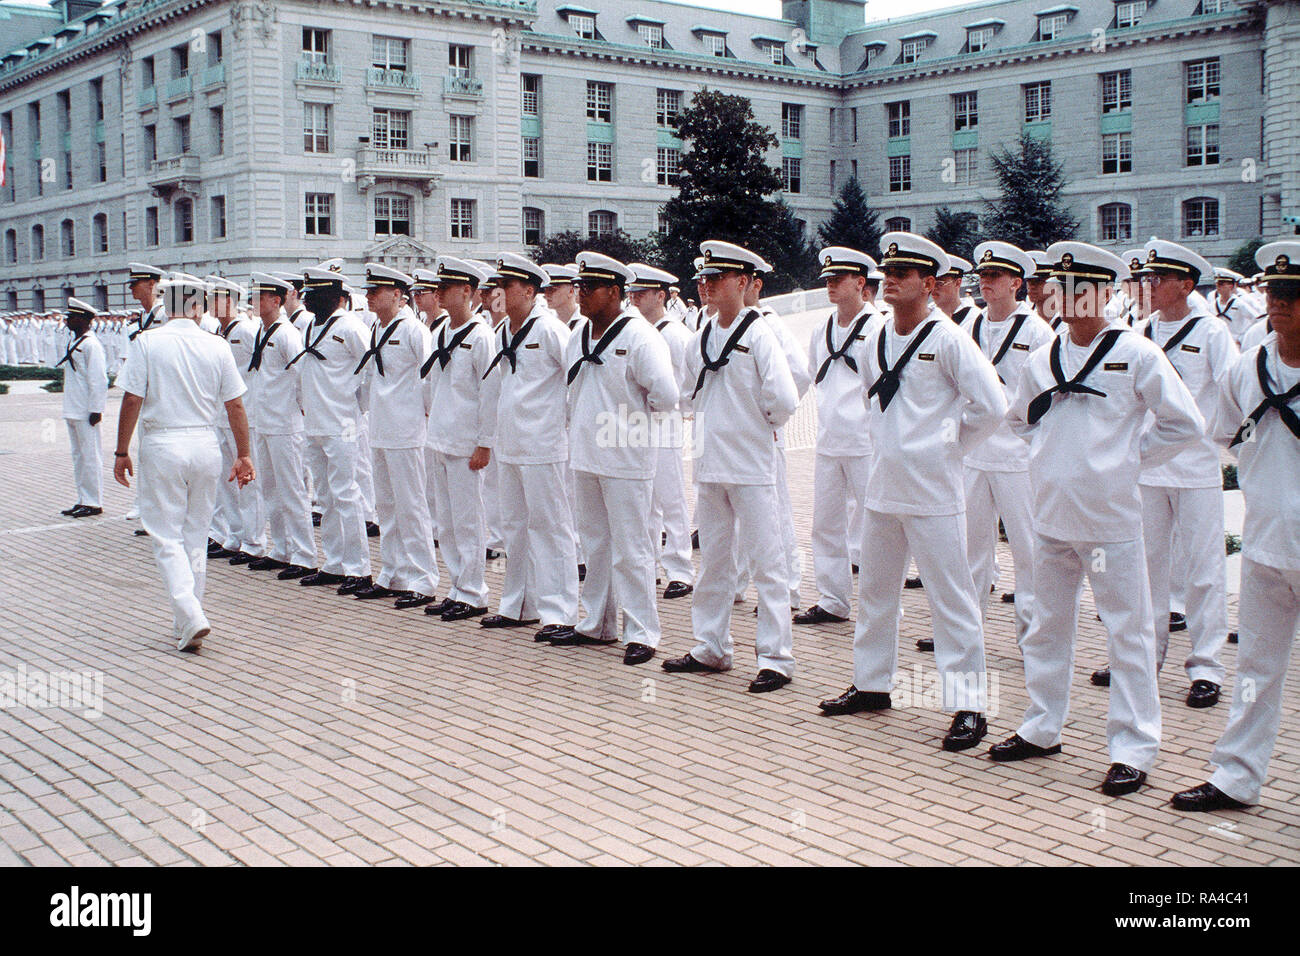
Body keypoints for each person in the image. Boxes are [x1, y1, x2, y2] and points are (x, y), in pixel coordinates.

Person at [990, 241, 1203, 797]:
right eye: (1060, 288)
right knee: (1046, 627)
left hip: (1111, 522)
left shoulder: (1135, 354)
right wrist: (1053, 457)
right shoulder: (1043, 358)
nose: (1067, 298)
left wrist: (1128, 459)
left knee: (1127, 633)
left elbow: (1185, 424)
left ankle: (1133, 747)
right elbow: (1017, 420)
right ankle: (1041, 725)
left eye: (1081, 288)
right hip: (1051, 518)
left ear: (1107, 294)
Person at [818, 233, 1005, 752]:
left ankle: (970, 705)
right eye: (889, 269)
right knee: (876, 593)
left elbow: (991, 405)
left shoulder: (947, 338)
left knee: (952, 599)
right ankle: (872, 684)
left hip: (933, 492)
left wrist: (948, 449)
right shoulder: (875, 335)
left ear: (930, 283)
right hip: (883, 487)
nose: (892, 277)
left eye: (905, 271)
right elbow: (870, 401)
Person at [1172, 240, 1300, 812]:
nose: (1281, 305)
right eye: (1275, 292)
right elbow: (1221, 433)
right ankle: (1235, 776)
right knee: (1254, 670)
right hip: (1268, 545)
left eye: (1294, 295)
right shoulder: (1248, 367)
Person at [1097, 241, 1236, 708]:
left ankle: (1206, 666)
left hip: (1195, 467)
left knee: (1203, 569)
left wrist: (1219, 441)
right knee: (1146, 571)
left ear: (1186, 285)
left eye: (1157, 279)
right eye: (1145, 279)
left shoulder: (1211, 331)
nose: (1147, 286)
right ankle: (1142, 660)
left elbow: (1234, 391)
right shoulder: (1137, 331)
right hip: (1147, 467)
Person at [662, 240, 799, 693]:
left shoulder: (759, 332)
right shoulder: (701, 334)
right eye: (703, 278)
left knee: (768, 563)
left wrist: (754, 427)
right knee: (715, 563)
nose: (705, 286)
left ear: (742, 282)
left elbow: (783, 398)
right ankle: (711, 646)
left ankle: (776, 658)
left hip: (752, 464)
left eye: (715, 278)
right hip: (711, 464)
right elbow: (686, 392)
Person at [113, 274, 255, 651]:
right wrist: (243, 454)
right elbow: (236, 404)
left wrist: (121, 450)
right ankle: (186, 620)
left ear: (166, 306)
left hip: (163, 443)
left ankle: (190, 613)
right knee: (195, 534)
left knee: (165, 535)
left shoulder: (147, 342)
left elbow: (131, 400)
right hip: (205, 444)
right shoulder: (216, 345)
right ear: (199, 307)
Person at [550, 252, 677, 665]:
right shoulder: (578, 334)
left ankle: (642, 631)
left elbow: (666, 396)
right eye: (580, 287)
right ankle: (597, 623)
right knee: (597, 546)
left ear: (615, 292)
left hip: (626, 458)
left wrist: (634, 428)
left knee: (632, 548)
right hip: (586, 455)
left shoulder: (639, 335)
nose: (581, 294)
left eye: (590, 288)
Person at [480, 253, 578, 640]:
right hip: (512, 445)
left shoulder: (551, 330)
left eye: (509, 287)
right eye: (499, 287)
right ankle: (520, 605)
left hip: (544, 445)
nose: (501, 293)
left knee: (551, 528)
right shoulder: (504, 331)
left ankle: (560, 613)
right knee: (515, 527)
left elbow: (577, 379)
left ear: (530, 291)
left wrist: (560, 426)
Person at [961, 242, 1054, 643]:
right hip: (976, 453)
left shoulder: (1036, 330)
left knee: (1028, 550)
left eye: (995, 276)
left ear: (1017, 282)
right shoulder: (969, 326)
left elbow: (1048, 395)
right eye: (983, 276)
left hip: (1018, 455)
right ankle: (967, 628)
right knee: (971, 549)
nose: (986, 283)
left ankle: (1032, 634)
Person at [796, 246, 883, 626]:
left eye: (838, 279)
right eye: (827, 279)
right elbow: (809, 376)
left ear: (860, 283)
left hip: (867, 443)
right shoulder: (823, 327)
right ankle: (832, 600)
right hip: (830, 440)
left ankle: (880, 608)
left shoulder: (880, 327)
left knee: (876, 528)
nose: (830, 285)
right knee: (826, 525)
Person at [353, 263, 438, 608]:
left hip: (407, 429)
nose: (370, 296)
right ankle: (393, 573)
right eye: (369, 291)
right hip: (381, 428)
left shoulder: (415, 330)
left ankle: (423, 579)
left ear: (397, 295)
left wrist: (423, 417)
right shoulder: (376, 327)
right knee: (386, 505)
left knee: (412, 506)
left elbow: (429, 378)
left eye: (377, 291)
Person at [420, 256, 497, 621]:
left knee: (468, 520)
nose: (438, 294)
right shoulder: (439, 332)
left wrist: (485, 442)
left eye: (445, 288)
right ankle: (456, 587)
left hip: (467, 441)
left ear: (467, 291)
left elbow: (489, 392)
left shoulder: (482, 336)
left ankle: (474, 592)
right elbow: (432, 384)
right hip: (440, 436)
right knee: (446, 522)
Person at [291, 266, 373, 594]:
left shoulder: (351, 326)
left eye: (316, 294)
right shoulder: (310, 326)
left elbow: (369, 370)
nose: (308, 300)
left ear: (335, 297)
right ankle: (335, 563)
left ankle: (359, 569)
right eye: (307, 294)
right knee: (324, 496)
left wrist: (356, 410)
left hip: (343, 424)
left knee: (346, 494)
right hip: (315, 423)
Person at [627, 262, 694, 600]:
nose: (635, 299)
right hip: (640, 423)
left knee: (670, 498)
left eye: (642, 293)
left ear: (661, 295)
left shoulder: (676, 334)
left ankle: (681, 568)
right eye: (632, 293)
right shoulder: (636, 332)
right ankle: (650, 565)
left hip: (666, 421)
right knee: (646, 500)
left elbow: (688, 382)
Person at [244, 273, 317, 581]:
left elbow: (302, 375)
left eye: (260, 297)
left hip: (285, 424)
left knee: (292, 491)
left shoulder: (286, 333)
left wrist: (299, 411)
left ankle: (304, 554)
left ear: (276, 300)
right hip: (265, 421)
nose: (254, 302)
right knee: (270, 489)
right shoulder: (263, 330)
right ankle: (282, 549)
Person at [204, 276, 265, 563]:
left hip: (246, 414)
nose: (211, 304)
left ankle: (254, 541)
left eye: (216, 298)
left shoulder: (249, 329)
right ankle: (233, 535)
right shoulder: (217, 330)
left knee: (247, 481)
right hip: (220, 414)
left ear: (230, 300)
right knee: (224, 479)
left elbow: (264, 371)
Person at [57, 299, 108, 519]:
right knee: (79, 457)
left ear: (83, 319)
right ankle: (82, 499)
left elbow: (99, 379)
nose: (67, 320)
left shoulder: (91, 345)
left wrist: (96, 409)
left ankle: (94, 502)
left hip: (86, 410)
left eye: (71, 317)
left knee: (90, 456)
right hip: (73, 407)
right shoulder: (75, 341)